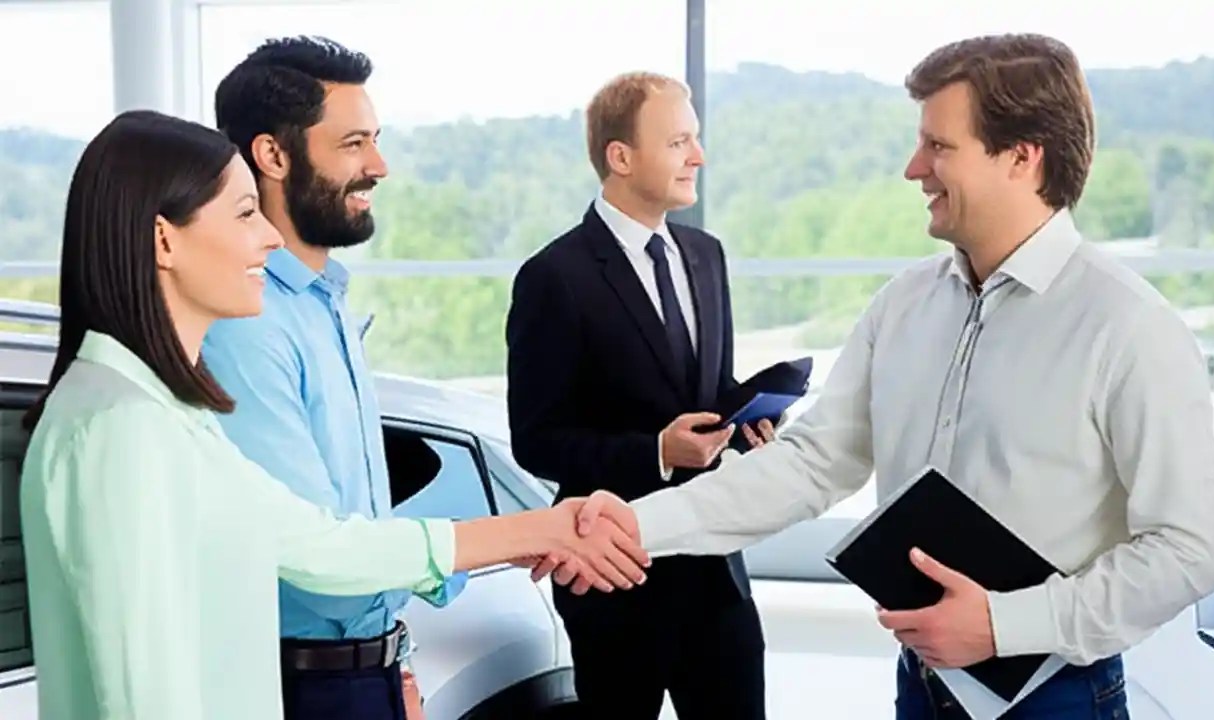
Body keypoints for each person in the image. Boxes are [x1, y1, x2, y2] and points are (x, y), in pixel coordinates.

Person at [566, 34, 1214, 718]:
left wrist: (1008, 624)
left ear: (1023, 157)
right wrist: (632, 524)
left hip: (1055, 698)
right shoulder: (906, 304)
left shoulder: (1128, 326)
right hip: (921, 684)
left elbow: (1189, 550)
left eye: (939, 146)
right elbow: (811, 464)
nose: (915, 168)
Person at [18, 110, 648, 720]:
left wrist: (536, 530)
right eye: (244, 214)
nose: (268, 234)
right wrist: (542, 530)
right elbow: (142, 690)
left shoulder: (161, 413)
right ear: (164, 239)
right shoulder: (119, 427)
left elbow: (322, 544)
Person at [198, 36, 460, 720]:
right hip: (300, 686)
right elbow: (317, 561)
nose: (380, 166)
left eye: (375, 140)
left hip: (363, 671)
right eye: (353, 144)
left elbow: (356, 520)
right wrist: (518, 540)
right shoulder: (245, 322)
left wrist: (391, 658)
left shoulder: (324, 301)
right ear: (273, 155)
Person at [505, 71, 771, 720]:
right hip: (615, 579)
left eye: (697, 139)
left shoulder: (706, 255)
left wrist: (745, 414)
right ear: (620, 157)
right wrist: (656, 451)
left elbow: (699, 391)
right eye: (680, 141)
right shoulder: (553, 277)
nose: (699, 157)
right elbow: (536, 440)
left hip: (715, 570)